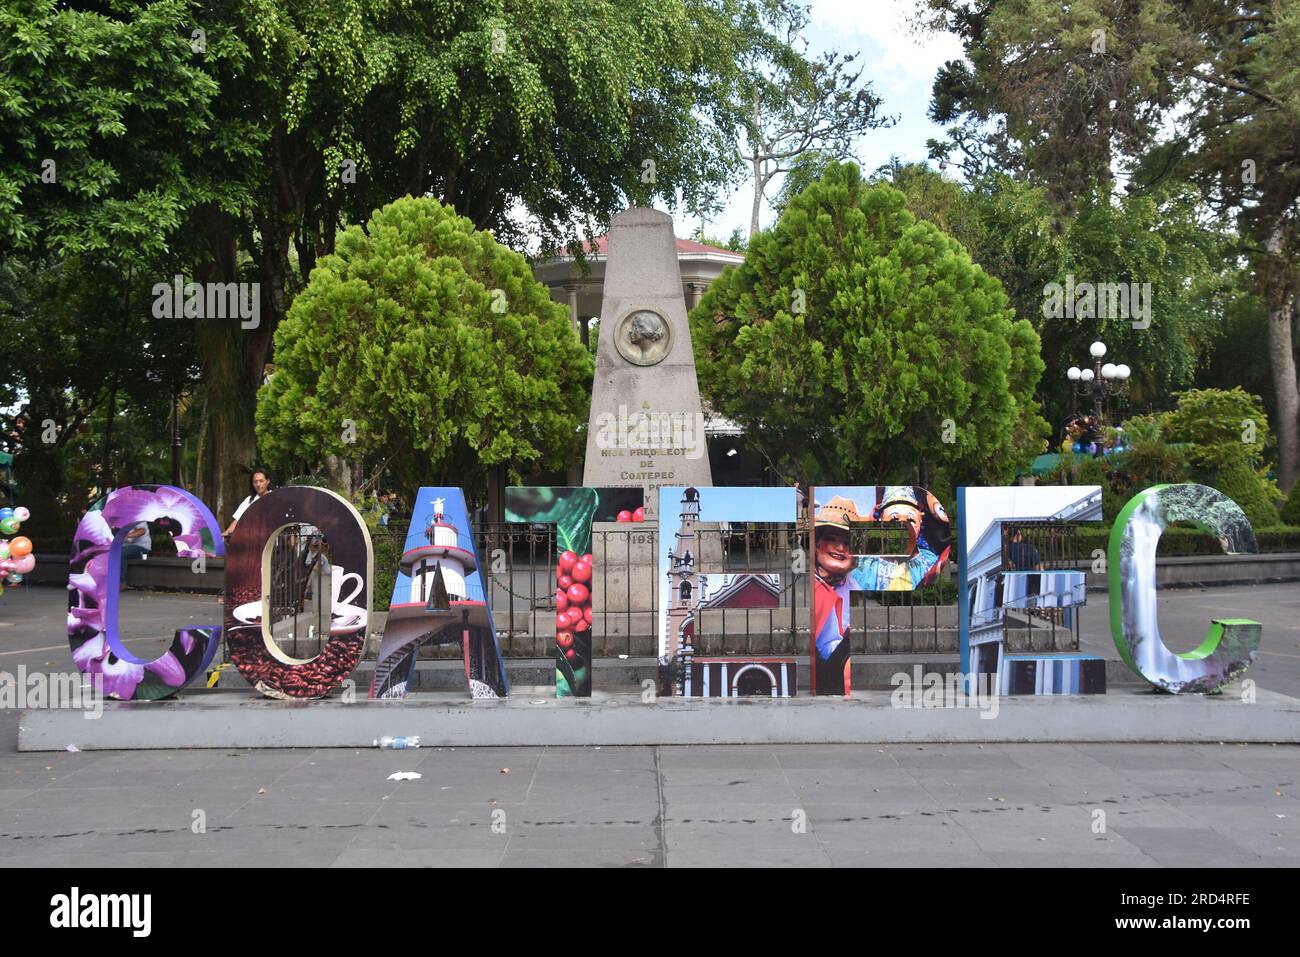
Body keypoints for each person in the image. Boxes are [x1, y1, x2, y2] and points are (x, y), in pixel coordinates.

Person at [223, 468, 273, 539]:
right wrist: (227, 533)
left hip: (272, 541)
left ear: (267, 481)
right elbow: (237, 519)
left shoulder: (274, 498)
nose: (258, 484)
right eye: (255, 482)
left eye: (261, 481)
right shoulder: (249, 500)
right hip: (252, 541)